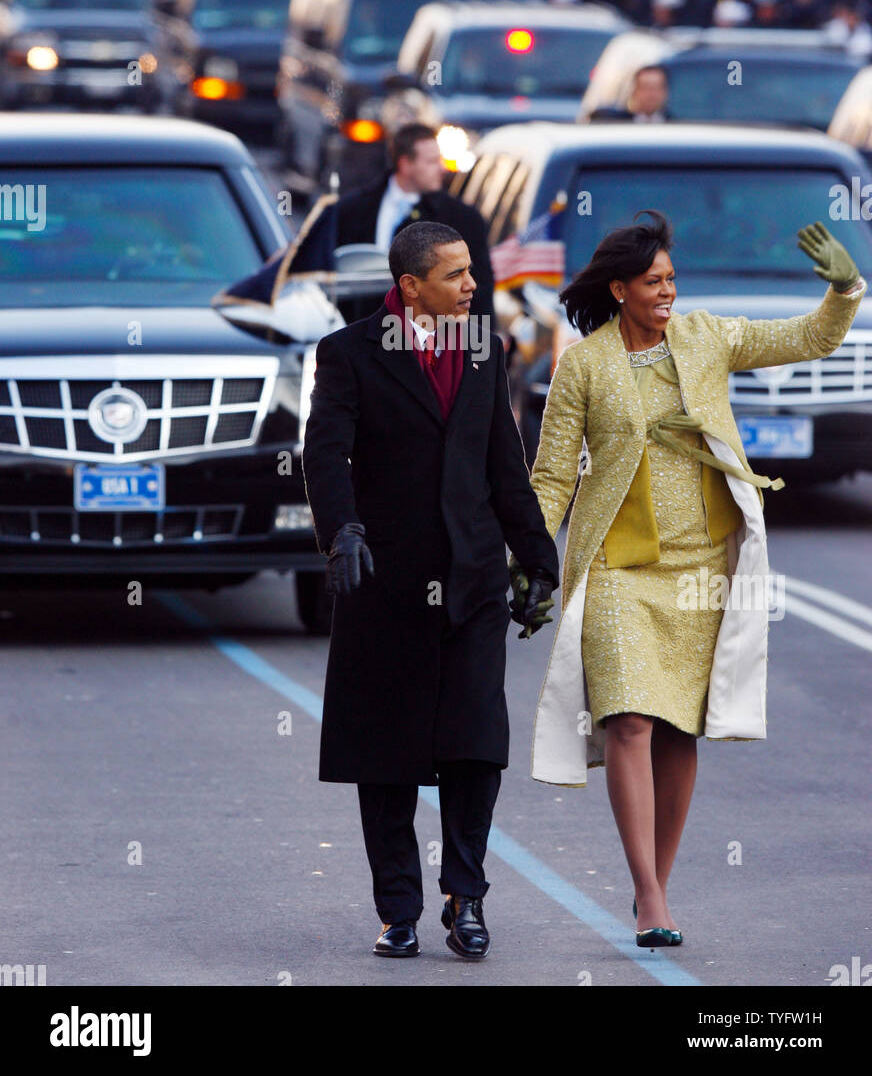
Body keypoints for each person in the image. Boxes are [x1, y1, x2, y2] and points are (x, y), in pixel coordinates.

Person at [526, 211, 866, 947]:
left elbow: (807, 340)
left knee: (680, 728)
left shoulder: (707, 337)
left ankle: (662, 882)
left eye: (672, 279)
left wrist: (843, 292)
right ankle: (648, 896)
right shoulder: (583, 365)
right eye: (653, 283)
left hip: (701, 569)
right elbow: (553, 475)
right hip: (619, 565)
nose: (667, 292)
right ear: (618, 289)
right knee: (629, 720)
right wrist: (522, 552)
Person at [301, 220, 559, 960]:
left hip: (473, 580)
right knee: (386, 753)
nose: (472, 285)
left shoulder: (486, 349)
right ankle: (398, 909)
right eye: (454, 275)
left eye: (472, 272)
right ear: (411, 287)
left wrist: (538, 560)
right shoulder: (347, 354)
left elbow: (504, 465)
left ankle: (467, 896)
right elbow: (326, 451)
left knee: (476, 743)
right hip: (384, 582)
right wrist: (342, 531)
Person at [334, 121, 496, 319]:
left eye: (440, 160)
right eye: (431, 162)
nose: (442, 168)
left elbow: (480, 294)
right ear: (405, 164)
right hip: (359, 333)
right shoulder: (352, 209)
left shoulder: (463, 219)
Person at [589, 65, 671, 124]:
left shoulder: (676, 125)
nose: (651, 94)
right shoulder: (617, 123)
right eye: (645, 87)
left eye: (656, 88)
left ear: (665, 92)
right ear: (634, 91)